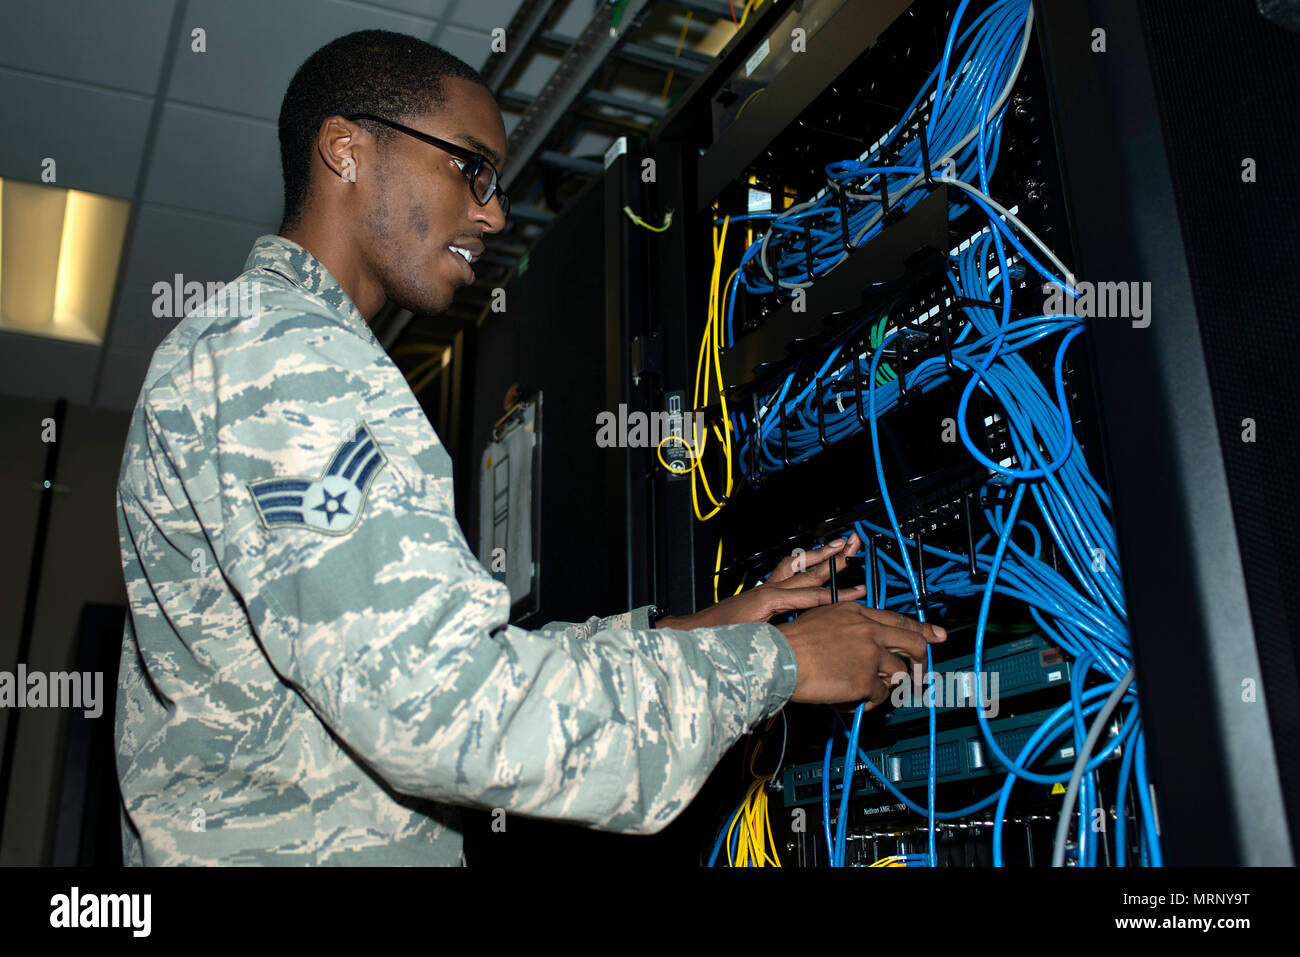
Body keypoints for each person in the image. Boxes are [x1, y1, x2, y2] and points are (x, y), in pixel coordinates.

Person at [114, 30, 945, 866]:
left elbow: (446, 663)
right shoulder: (284, 354)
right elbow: (443, 711)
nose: (494, 212)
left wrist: (704, 633)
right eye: (469, 166)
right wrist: (772, 664)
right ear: (346, 149)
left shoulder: (276, 348)